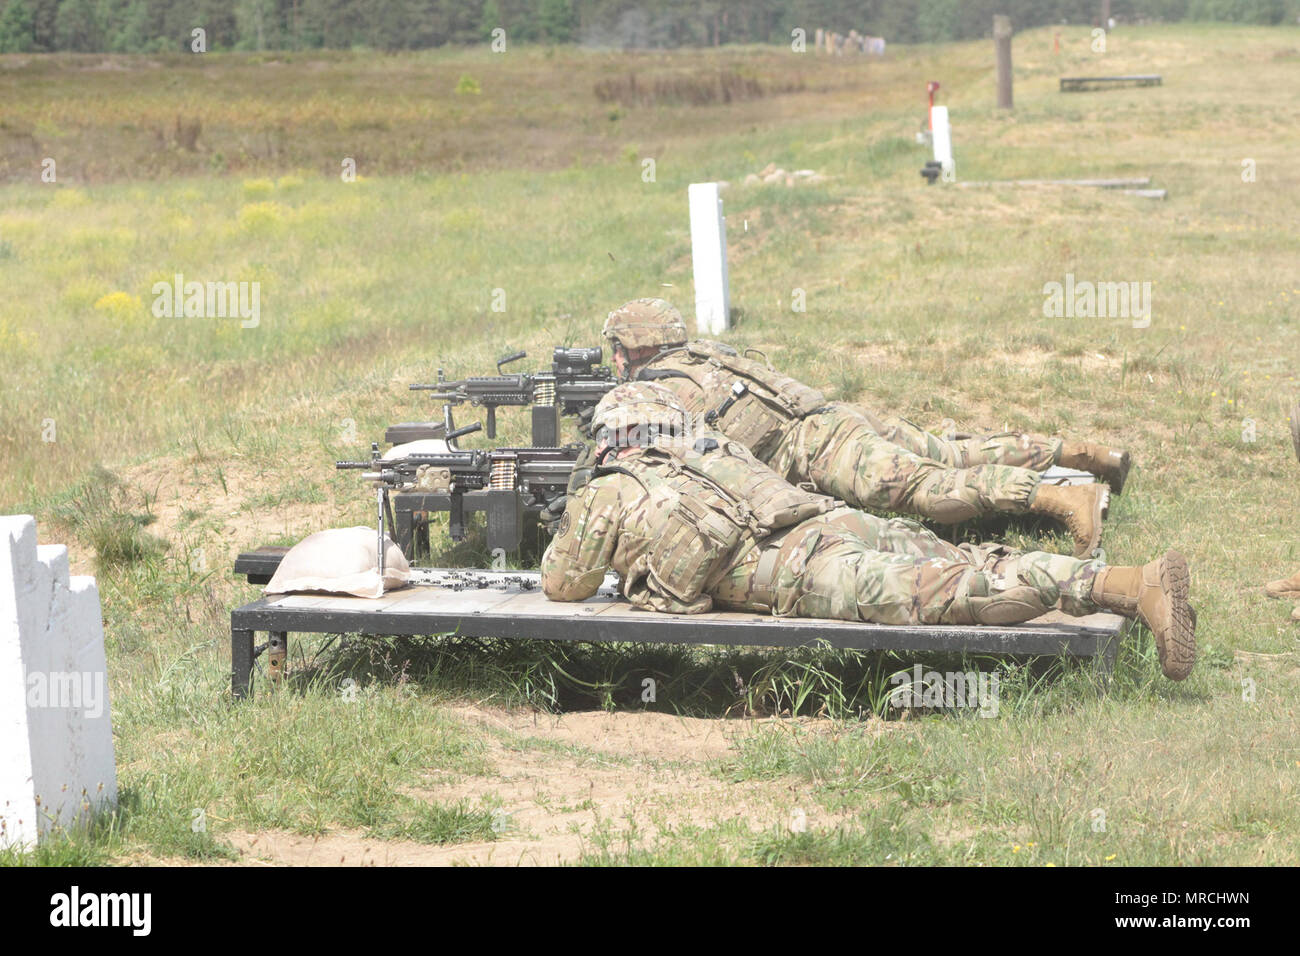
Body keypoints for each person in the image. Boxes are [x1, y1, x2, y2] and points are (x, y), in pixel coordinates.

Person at [541, 383, 1196, 681]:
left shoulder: (610, 491)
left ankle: (1128, 586)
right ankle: (1119, 582)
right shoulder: (708, 449)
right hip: (831, 521)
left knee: (947, 592)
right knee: (963, 556)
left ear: (609, 439)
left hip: (802, 571)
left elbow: (563, 584)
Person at [599, 298, 1131, 558]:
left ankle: (1061, 501)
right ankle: (1081, 454)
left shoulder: (658, 390)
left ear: (628, 351)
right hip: (834, 417)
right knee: (950, 453)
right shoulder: (705, 352)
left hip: (820, 446)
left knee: (931, 489)